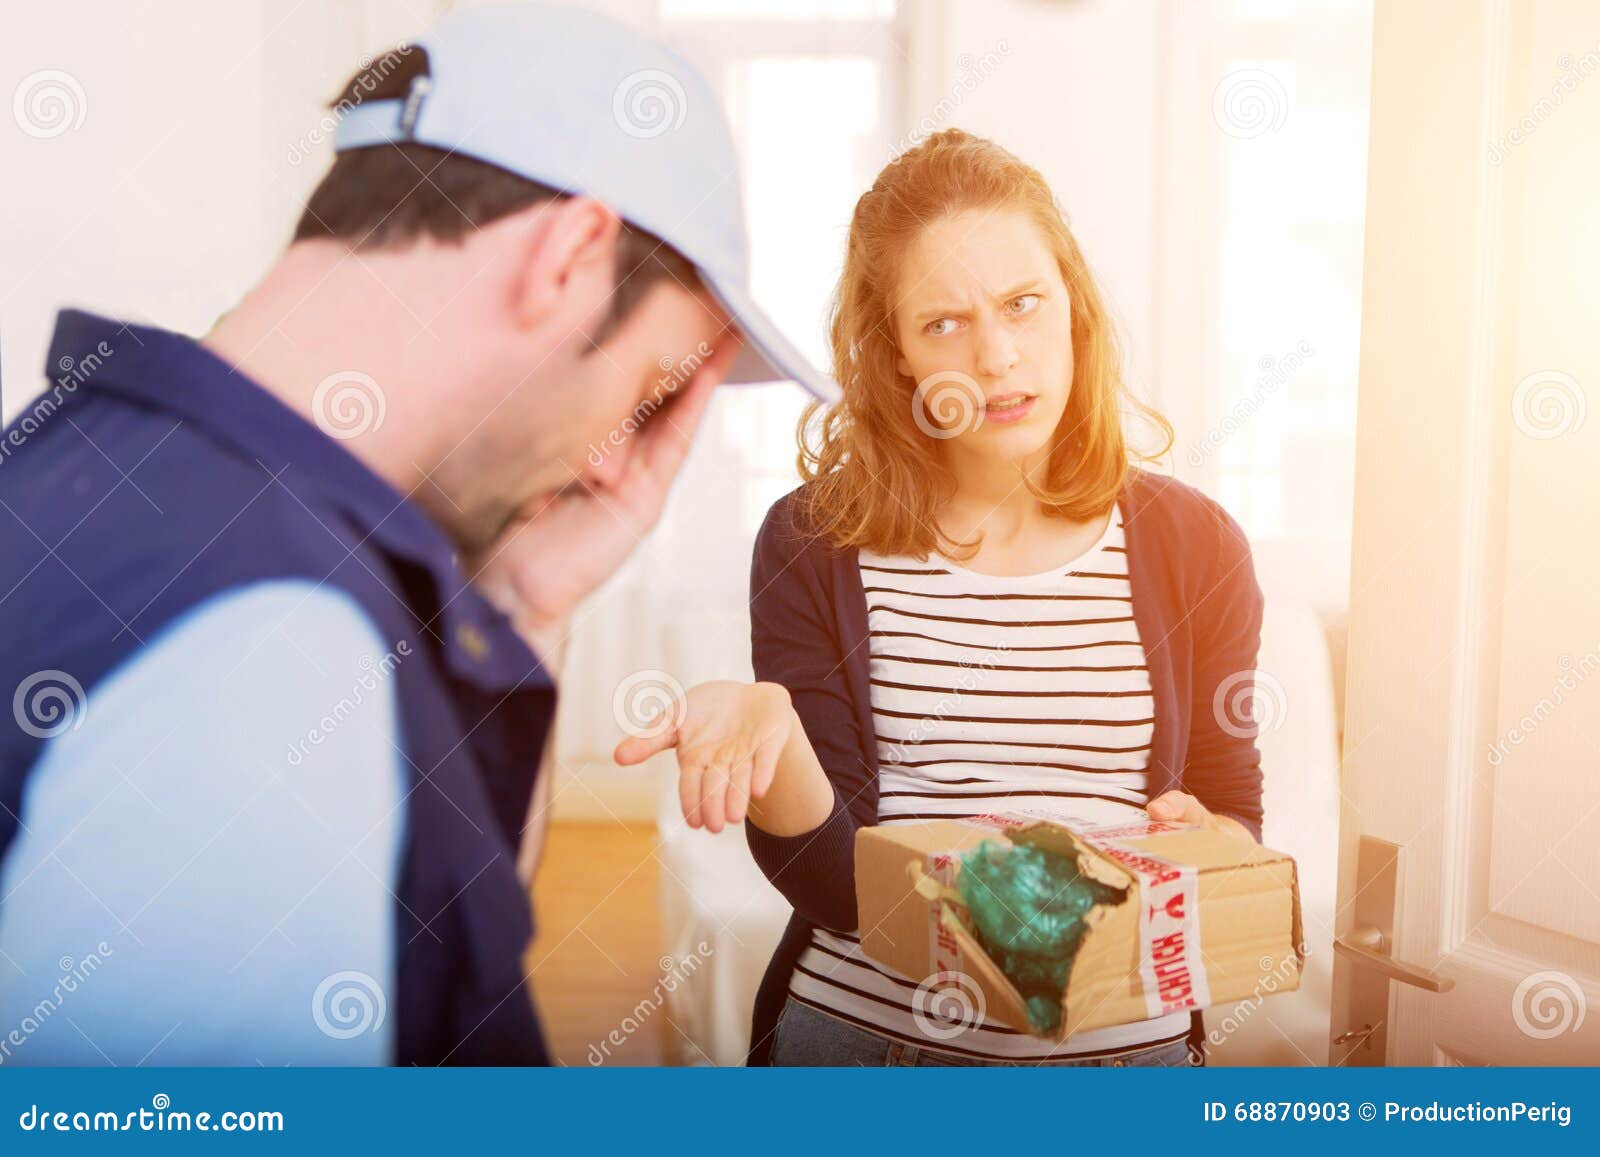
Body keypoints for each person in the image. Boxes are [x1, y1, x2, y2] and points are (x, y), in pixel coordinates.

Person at [0, 5, 834, 1066]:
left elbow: (426, 961)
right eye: (641, 394)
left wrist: (529, 603)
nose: (609, 468)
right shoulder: (270, 642)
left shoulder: (103, 462)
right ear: (569, 254)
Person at [616, 130, 1265, 1067]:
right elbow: (834, 887)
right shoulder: (813, 540)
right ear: (898, 358)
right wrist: (776, 740)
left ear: (1075, 310)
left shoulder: (1194, 543)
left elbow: (1234, 811)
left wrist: (1215, 848)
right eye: (944, 323)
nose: (997, 356)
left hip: (1134, 1057)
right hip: (869, 1047)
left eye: (1023, 304)